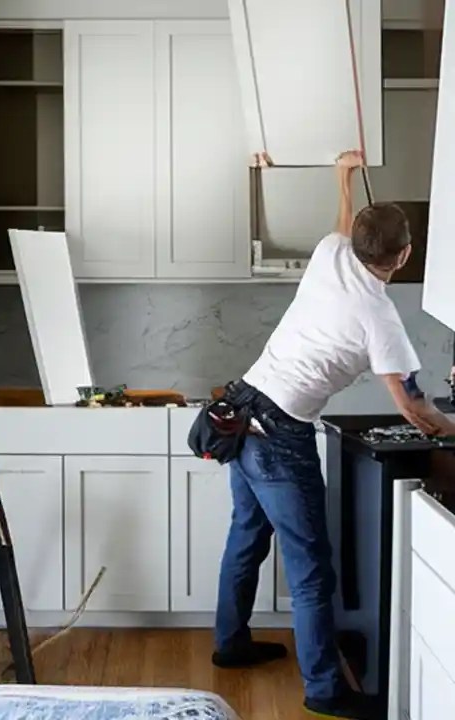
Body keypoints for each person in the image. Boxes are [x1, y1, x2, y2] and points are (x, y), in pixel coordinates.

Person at [210, 150, 455, 720]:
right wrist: (449, 426)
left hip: (242, 410)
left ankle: (231, 644)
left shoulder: (330, 254)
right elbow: (412, 407)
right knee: (312, 566)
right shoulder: (380, 317)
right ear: (406, 254)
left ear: (359, 243)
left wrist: (342, 177)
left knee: (247, 535)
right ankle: (324, 691)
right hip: (279, 434)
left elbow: (344, 224)